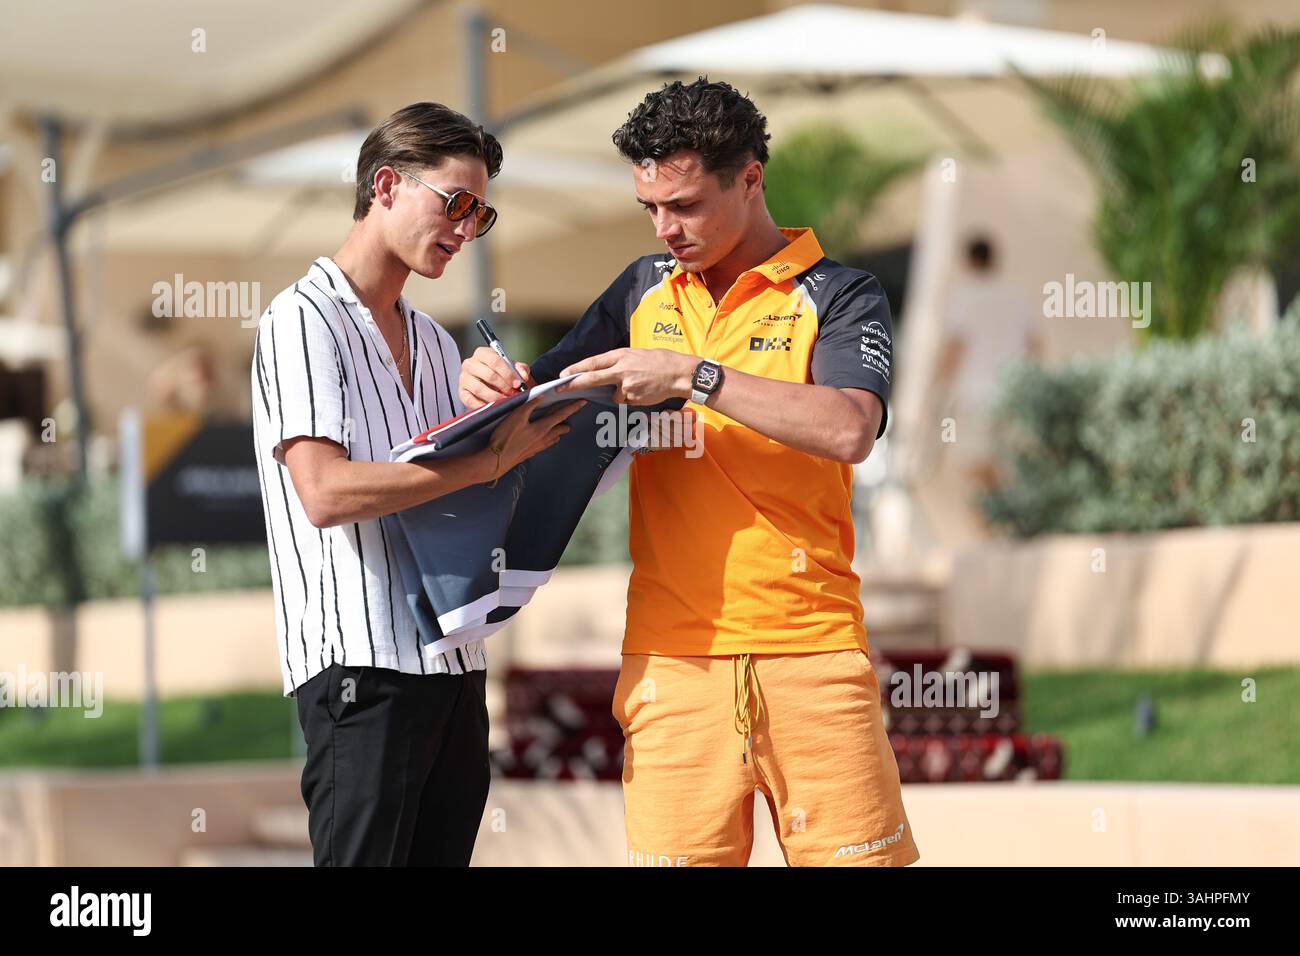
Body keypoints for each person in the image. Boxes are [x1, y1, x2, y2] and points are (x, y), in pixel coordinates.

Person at [460, 79, 919, 867]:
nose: (666, 227)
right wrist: (489, 380)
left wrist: (693, 375)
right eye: (650, 208)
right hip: (669, 665)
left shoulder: (842, 294)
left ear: (750, 179)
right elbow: (544, 395)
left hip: (811, 654)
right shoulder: (641, 290)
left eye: (686, 204)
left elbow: (849, 427)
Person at [250, 102, 580, 867]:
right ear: (386, 185)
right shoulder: (300, 321)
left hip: (453, 663)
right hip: (359, 668)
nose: (466, 230)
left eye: (481, 214)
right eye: (456, 204)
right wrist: (486, 461)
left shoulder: (434, 340)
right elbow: (326, 492)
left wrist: (502, 416)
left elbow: (446, 490)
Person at [935, 235, 1041, 490]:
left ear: (970, 261)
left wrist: (940, 387)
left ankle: (989, 523)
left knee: (974, 463)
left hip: (975, 393)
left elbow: (955, 346)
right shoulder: (1017, 296)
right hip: (1011, 392)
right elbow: (1033, 345)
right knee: (1004, 463)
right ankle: (999, 520)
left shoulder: (965, 295)